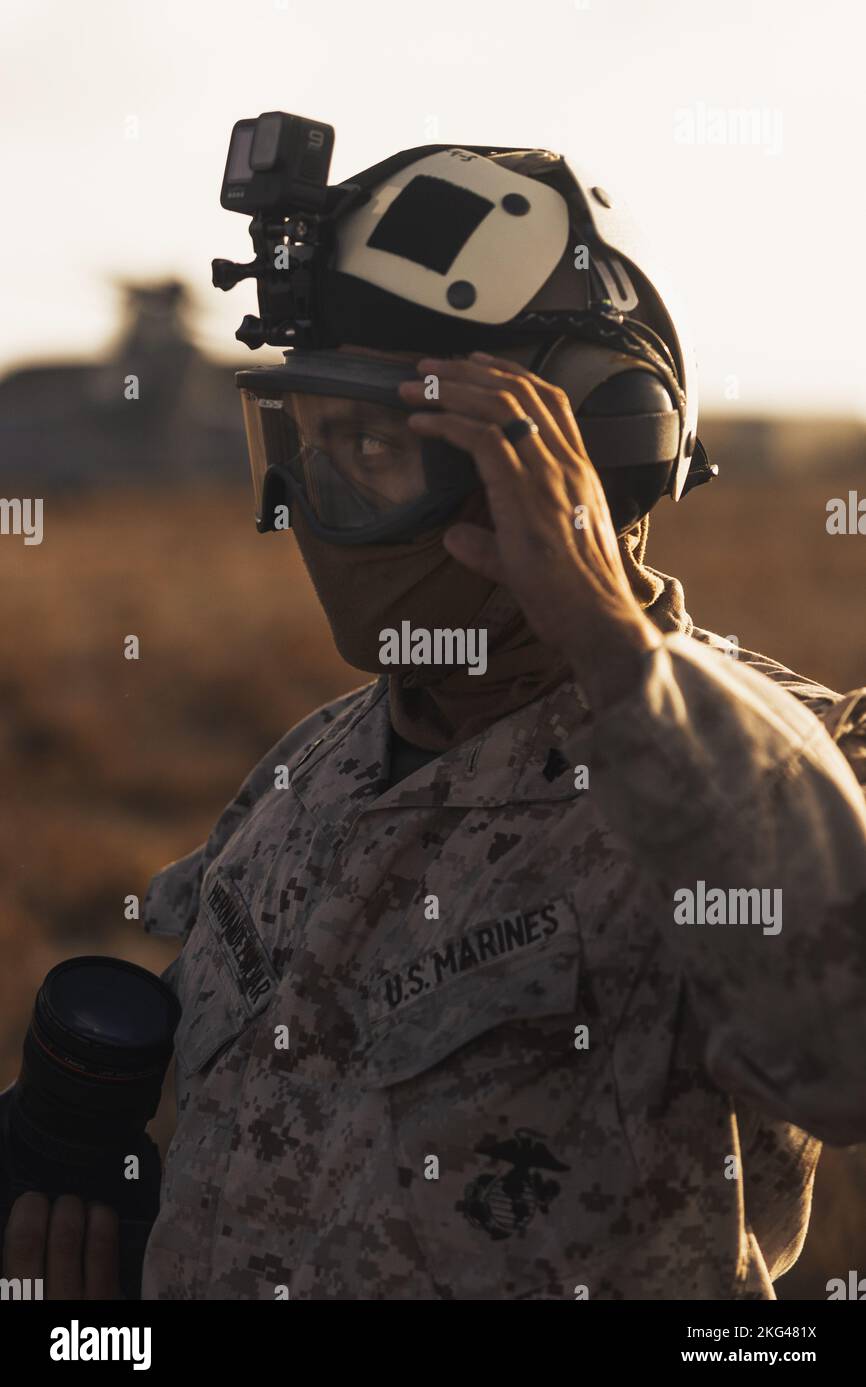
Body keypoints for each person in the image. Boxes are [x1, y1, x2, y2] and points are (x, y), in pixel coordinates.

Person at [5, 144, 866, 1300]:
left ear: (593, 449)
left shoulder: (790, 769)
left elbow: (840, 1056)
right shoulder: (312, 766)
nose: (326, 493)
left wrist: (605, 634)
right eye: (311, 439)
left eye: (380, 447)